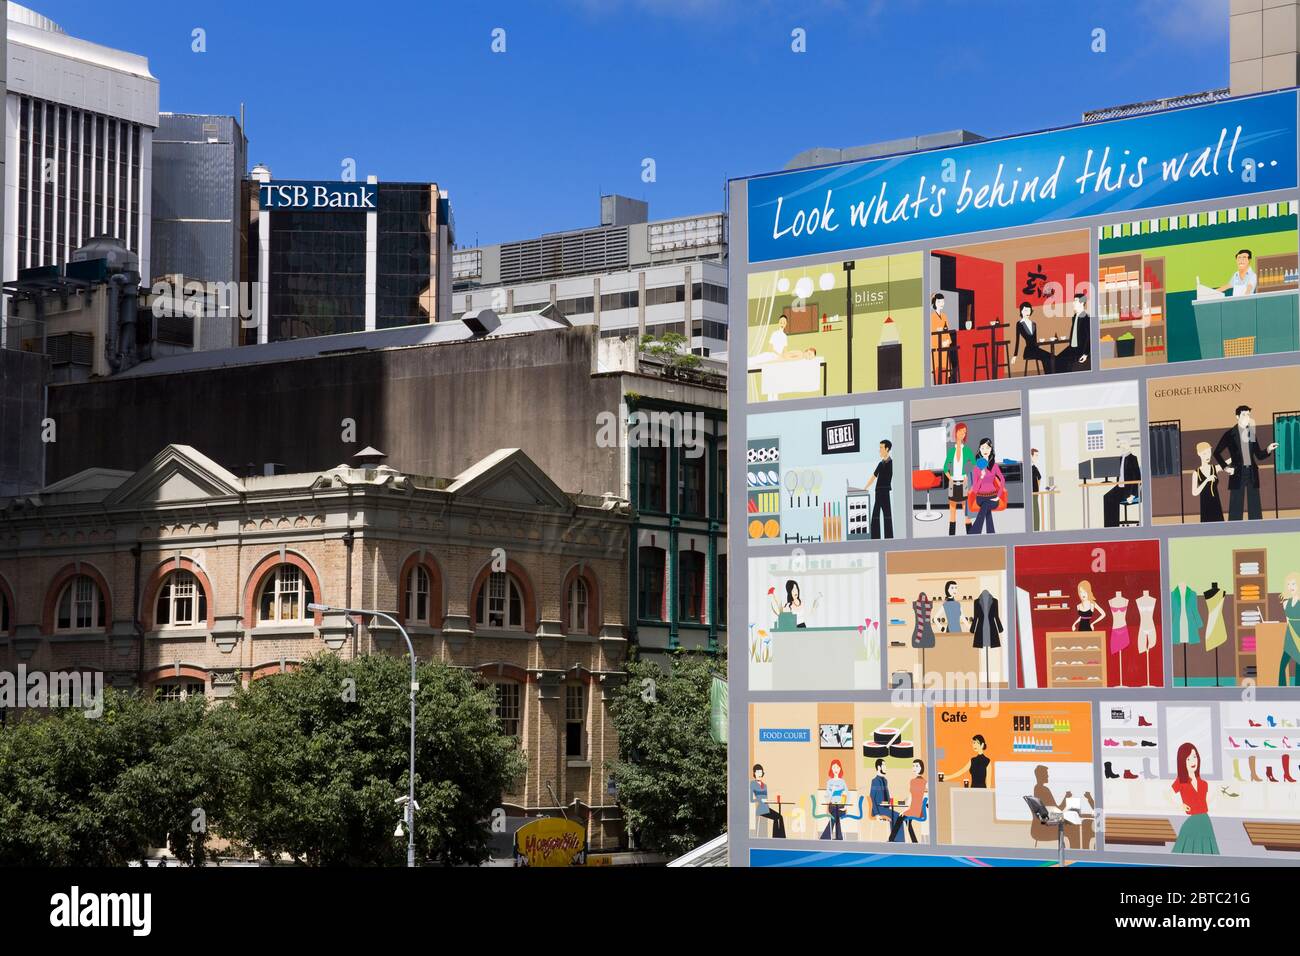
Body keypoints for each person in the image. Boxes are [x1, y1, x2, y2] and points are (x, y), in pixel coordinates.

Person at [1213, 404, 1278, 521]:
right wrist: (1226, 468)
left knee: (1255, 506)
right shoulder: (1229, 434)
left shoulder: (1251, 433)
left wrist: (1268, 449)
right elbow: (1216, 453)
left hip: (1252, 472)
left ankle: (1257, 531)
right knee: (1236, 506)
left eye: (1248, 414)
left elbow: (1258, 455)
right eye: (1244, 414)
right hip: (1237, 473)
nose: (1247, 417)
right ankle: (1234, 532)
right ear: (1237, 417)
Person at [1171, 742, 1219, 854]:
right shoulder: (1181, 781)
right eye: (1188, 759)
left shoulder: (1204, 784)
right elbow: (1167, 795)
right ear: (1182, 762)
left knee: (1207, 852)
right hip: (1192, 822)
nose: (1193, 761)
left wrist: (1216, 795)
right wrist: (1180, 805)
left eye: (1194, 756)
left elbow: (1203, 802)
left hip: (1205, 821)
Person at [944, 421, 976, 536]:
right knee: (952, 512)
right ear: (956, 432)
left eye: (965, 433)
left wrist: (968, 476)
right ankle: (951, 538)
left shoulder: (966, 450)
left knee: (966, 512)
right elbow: (945, 468)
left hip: (964, 483)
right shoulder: (951, 451)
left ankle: (971, 537)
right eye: (961, 432)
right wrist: (950, 478)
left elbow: (974, 465)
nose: (963, 434)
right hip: (953, 483)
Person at [968, 437, 1005, 534]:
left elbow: (1002, 480)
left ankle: (975, 532)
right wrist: (981, 476)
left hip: (993, 497)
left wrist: (998, 496)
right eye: (983, 448)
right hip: (980, 497)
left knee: (986, 508)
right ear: (979, 450)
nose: (985, 450)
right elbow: (975, 490)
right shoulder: (976, 468)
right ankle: (989, 533)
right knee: (985, 506)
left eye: (988, 447)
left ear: (991, 449)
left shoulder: (995, 466)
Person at [1009, 302, 1054, 375]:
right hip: (1028, 351)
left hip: (1035, 349)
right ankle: (1049, 375)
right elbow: (1018, 340)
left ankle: (1053, 373)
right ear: (1021, 311)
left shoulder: (1034, 324)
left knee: (1051, 356)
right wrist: (1015, 355)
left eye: (1029, 310)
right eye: (1025, 310)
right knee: (1045, 357)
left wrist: (1039, 345)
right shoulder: (1019, 324)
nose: (1027, 312)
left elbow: (1035, 340)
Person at [1103, 447, 1142, 528]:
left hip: (1129, 488)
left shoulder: (1133, 458)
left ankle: (1114, 526)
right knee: (1107, 497)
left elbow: (1137, 477)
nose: (1121, 446)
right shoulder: (1120, 458)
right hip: (1120, 487)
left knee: (1113, 499)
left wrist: (1132, 494)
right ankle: (1109, 526)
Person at [868, 758, 904, 843]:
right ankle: (897, 841)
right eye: (884, 765)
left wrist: (893, 802)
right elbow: (872, 797)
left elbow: (886, 796)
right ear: (879, 767)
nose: (885, 767)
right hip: (879, 809)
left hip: (886, 807)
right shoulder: (875, 781)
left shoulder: (885, 780)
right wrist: (876, 814)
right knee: (898, 816)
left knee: (898, 816)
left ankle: (895, 840)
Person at [1054, 291, 1091, 372]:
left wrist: (1085, 354)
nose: (1073, 303)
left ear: (1082, 303)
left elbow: (1089, 336)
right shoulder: (1074, 317)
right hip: (1072, 348)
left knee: (1063, 363)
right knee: (1057, 360)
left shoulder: (1086, 317)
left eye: (1076, 301)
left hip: (1080, 349)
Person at [865, 439, 894, 539]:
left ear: (887, 449)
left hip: (885, 491)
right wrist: (865, 488)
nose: (879, 450)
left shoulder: (891, 463)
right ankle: (875, 538)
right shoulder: (881, 464)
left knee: (887, 516)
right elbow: (873, 477)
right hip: (878, 491)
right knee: (875, 515)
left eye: (881, 448)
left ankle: (889, 538)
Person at [893, 758, 928, 843]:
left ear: (921, 768)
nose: (914, 768)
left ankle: (891, 839)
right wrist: (905, 802)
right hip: (914, 808)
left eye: (917, 766)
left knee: (900, 818)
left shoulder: (922, 782)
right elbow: (911, 795)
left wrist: (905, 810)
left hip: (916, 810)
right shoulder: (914, 781)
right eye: (913, 766)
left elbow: (915, 797)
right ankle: (914, 841)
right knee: (908, 822)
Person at [1190, 441, 1224, 523]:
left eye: (1209, 452)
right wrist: (1207, 480)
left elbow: (1225, 463)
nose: (1207, 455)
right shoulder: (1196, 473)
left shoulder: (1214, 468)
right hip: (1205, 503)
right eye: (1204, 453)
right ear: (1199, 454)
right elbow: (1194, 493)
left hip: (1216, 502)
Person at [750, 764, 786, 838]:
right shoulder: (753, 784)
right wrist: (759, 799)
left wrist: (769, 800)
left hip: (766, 808)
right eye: (757, 772)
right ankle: (775, 837)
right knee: (777, 817)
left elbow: (765, 798)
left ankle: (781, 837)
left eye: (761, 772)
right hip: (760, 809)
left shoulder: (764, 785)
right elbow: (751, 799)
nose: (759, 774)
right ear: (754, 773)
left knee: (780, 817)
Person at [931, 292, 959, 383]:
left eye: (942, 302)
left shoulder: (944, 316)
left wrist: (947, 341)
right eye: (939, 302)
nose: (941, 304)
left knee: (946, 369)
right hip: (937, 347)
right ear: (935, 303)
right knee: (938, 370)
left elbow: (946, 331)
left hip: (945, 346)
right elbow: (932, 334)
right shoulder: (932, 317)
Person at [821, 758, 849, 840]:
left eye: (837, 767)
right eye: (834, 767)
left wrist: (846, 806)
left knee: (836, 815)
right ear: (831, 769)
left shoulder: (842, 782)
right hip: (832, 805)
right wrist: (832, 792)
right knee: (835, 814)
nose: (836, 769)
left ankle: (826, 836)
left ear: (840, 768)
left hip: (841, 806)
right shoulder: (829, 782)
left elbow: (847, 794)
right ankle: (838, 837)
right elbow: (827, 796)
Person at [1280, 574, 1300, 687]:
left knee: (1299, 666)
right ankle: (1281, 690)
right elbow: (1287, 621)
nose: (1290, 586)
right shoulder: (1285, 603)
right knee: (1282, 665)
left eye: (1293, 583)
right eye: (1288, 584)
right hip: (1289, 637)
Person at [1030, 448, 1043, 531]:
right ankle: (1035, 529)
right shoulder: (1030, 467)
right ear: (1031, 456)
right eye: (1036, 455)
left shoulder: (1034, 467)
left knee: (1035, 510)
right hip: (1032, 493)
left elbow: (1039, 478)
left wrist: (1037, 490)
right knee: (1034, 511)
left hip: (1035, 493)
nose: (1037, 458)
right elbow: (1039, 479)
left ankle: (1036, 529)